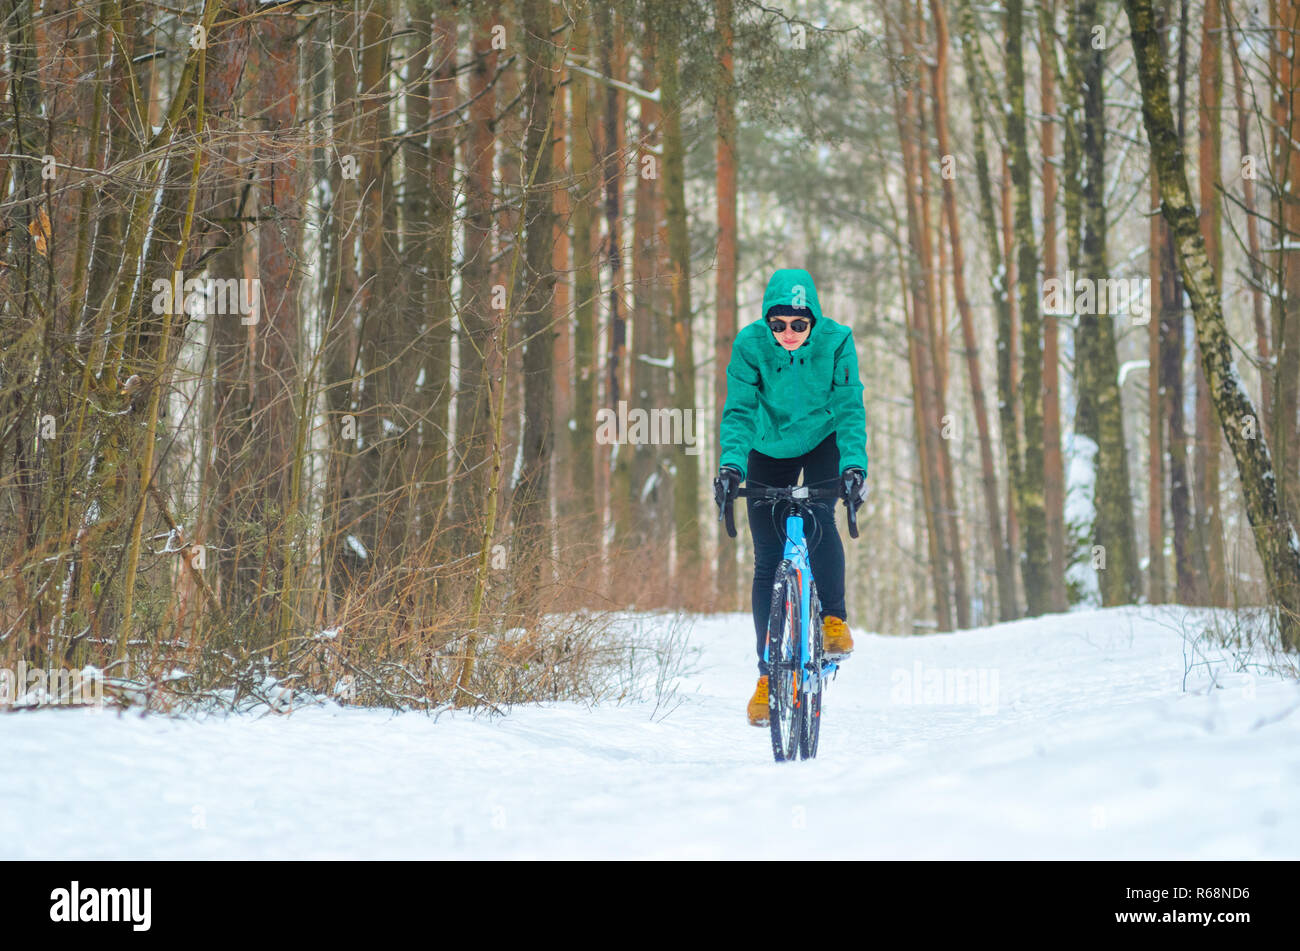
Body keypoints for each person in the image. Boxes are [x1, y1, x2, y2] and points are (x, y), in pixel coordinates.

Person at [714, 268, 868, 727]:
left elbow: (850, 407)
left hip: (823, 439)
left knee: (820, 516)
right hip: (767, 446)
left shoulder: (837, 342)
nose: (788, 333)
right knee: (767, 559)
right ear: (767, 321)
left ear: (813, 320)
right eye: (778, 324)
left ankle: (833, 621)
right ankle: (767, 676)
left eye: (799, 324)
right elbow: (739, 411)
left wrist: (853, 466)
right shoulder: (750, 345)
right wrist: (731, 466)